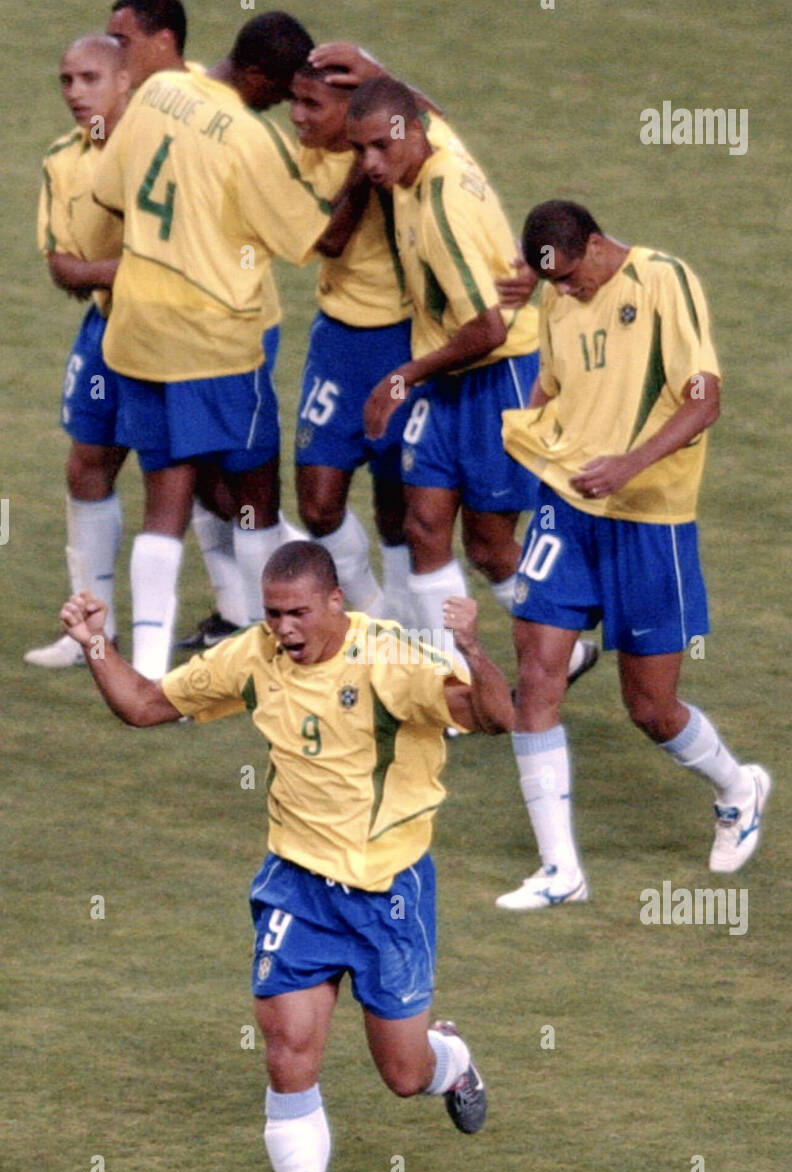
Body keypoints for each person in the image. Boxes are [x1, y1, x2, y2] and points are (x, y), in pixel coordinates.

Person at [59, 540, 514, 1172]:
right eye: (272, 614)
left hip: (385, 895)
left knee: (402, 1075)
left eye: (297, 612)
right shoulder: (254, 656)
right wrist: (96, 644)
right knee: (285, 1054)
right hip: (296, 889)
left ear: (336, 602)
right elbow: (144, 706)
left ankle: (451, 1062)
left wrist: (472, 649)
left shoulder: (389, 663)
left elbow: (496, 718)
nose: (284, 629)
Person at [495, 200, 770, 909]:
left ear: (593, 244)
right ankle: (561, 869)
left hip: (650, 518)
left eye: (571, 277)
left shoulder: (661, 281)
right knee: (535, 675)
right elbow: (550, 386)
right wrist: (537, 440)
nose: (566, 293)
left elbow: (702, 401)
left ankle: (738, 789)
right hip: (568, 510)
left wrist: (627, 465)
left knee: (649, 708)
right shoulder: (558, 298)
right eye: (550, 282)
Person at [89, 13, 367, 679]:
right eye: (280, 90)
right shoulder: (248, 137)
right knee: (254, 497)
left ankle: (151, 678)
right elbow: (321, 240)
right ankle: (263, 640)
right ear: (254, 76)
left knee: (164, 501)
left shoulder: (157, 90)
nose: (285, 107)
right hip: (213, 342)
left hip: (136, 331)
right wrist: (362, 164)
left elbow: (109, 192)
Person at [345, 78, 596, 685]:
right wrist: (368, 64)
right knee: (424, 525)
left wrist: (401, 378)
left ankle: (567, 640)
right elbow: (431, 106)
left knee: (488, 545)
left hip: (498, 377)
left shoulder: (441, 210)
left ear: (409, 135)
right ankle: (449, 682)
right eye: (359, 150)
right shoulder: (426, 149)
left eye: (379, 146)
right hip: (450, 378)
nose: (369, 164)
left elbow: (485, 329)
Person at [288, 53, 474, 627]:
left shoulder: (406, 155)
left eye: (311, 104)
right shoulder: (304, 161)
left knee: (400, 511)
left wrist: (378, 73)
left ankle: (410, 636)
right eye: (293, 100)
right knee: (317, 504)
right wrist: (365, 168)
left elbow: (432, 122)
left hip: (402, 342)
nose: (296, 116)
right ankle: (374, 606)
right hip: (337, 343)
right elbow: (332, 238)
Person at [25, 36, 131, 670]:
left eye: (90, 77)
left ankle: (247, 617)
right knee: (86, 464)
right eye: (66, 79)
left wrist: (102, 269)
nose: (75, 92)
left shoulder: (154, 145)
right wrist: (131, 270)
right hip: (105, 328)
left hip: (177, 334)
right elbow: (62, 267)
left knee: (219, 486)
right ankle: (93, 627)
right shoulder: (62, 159)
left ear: (124, 79)